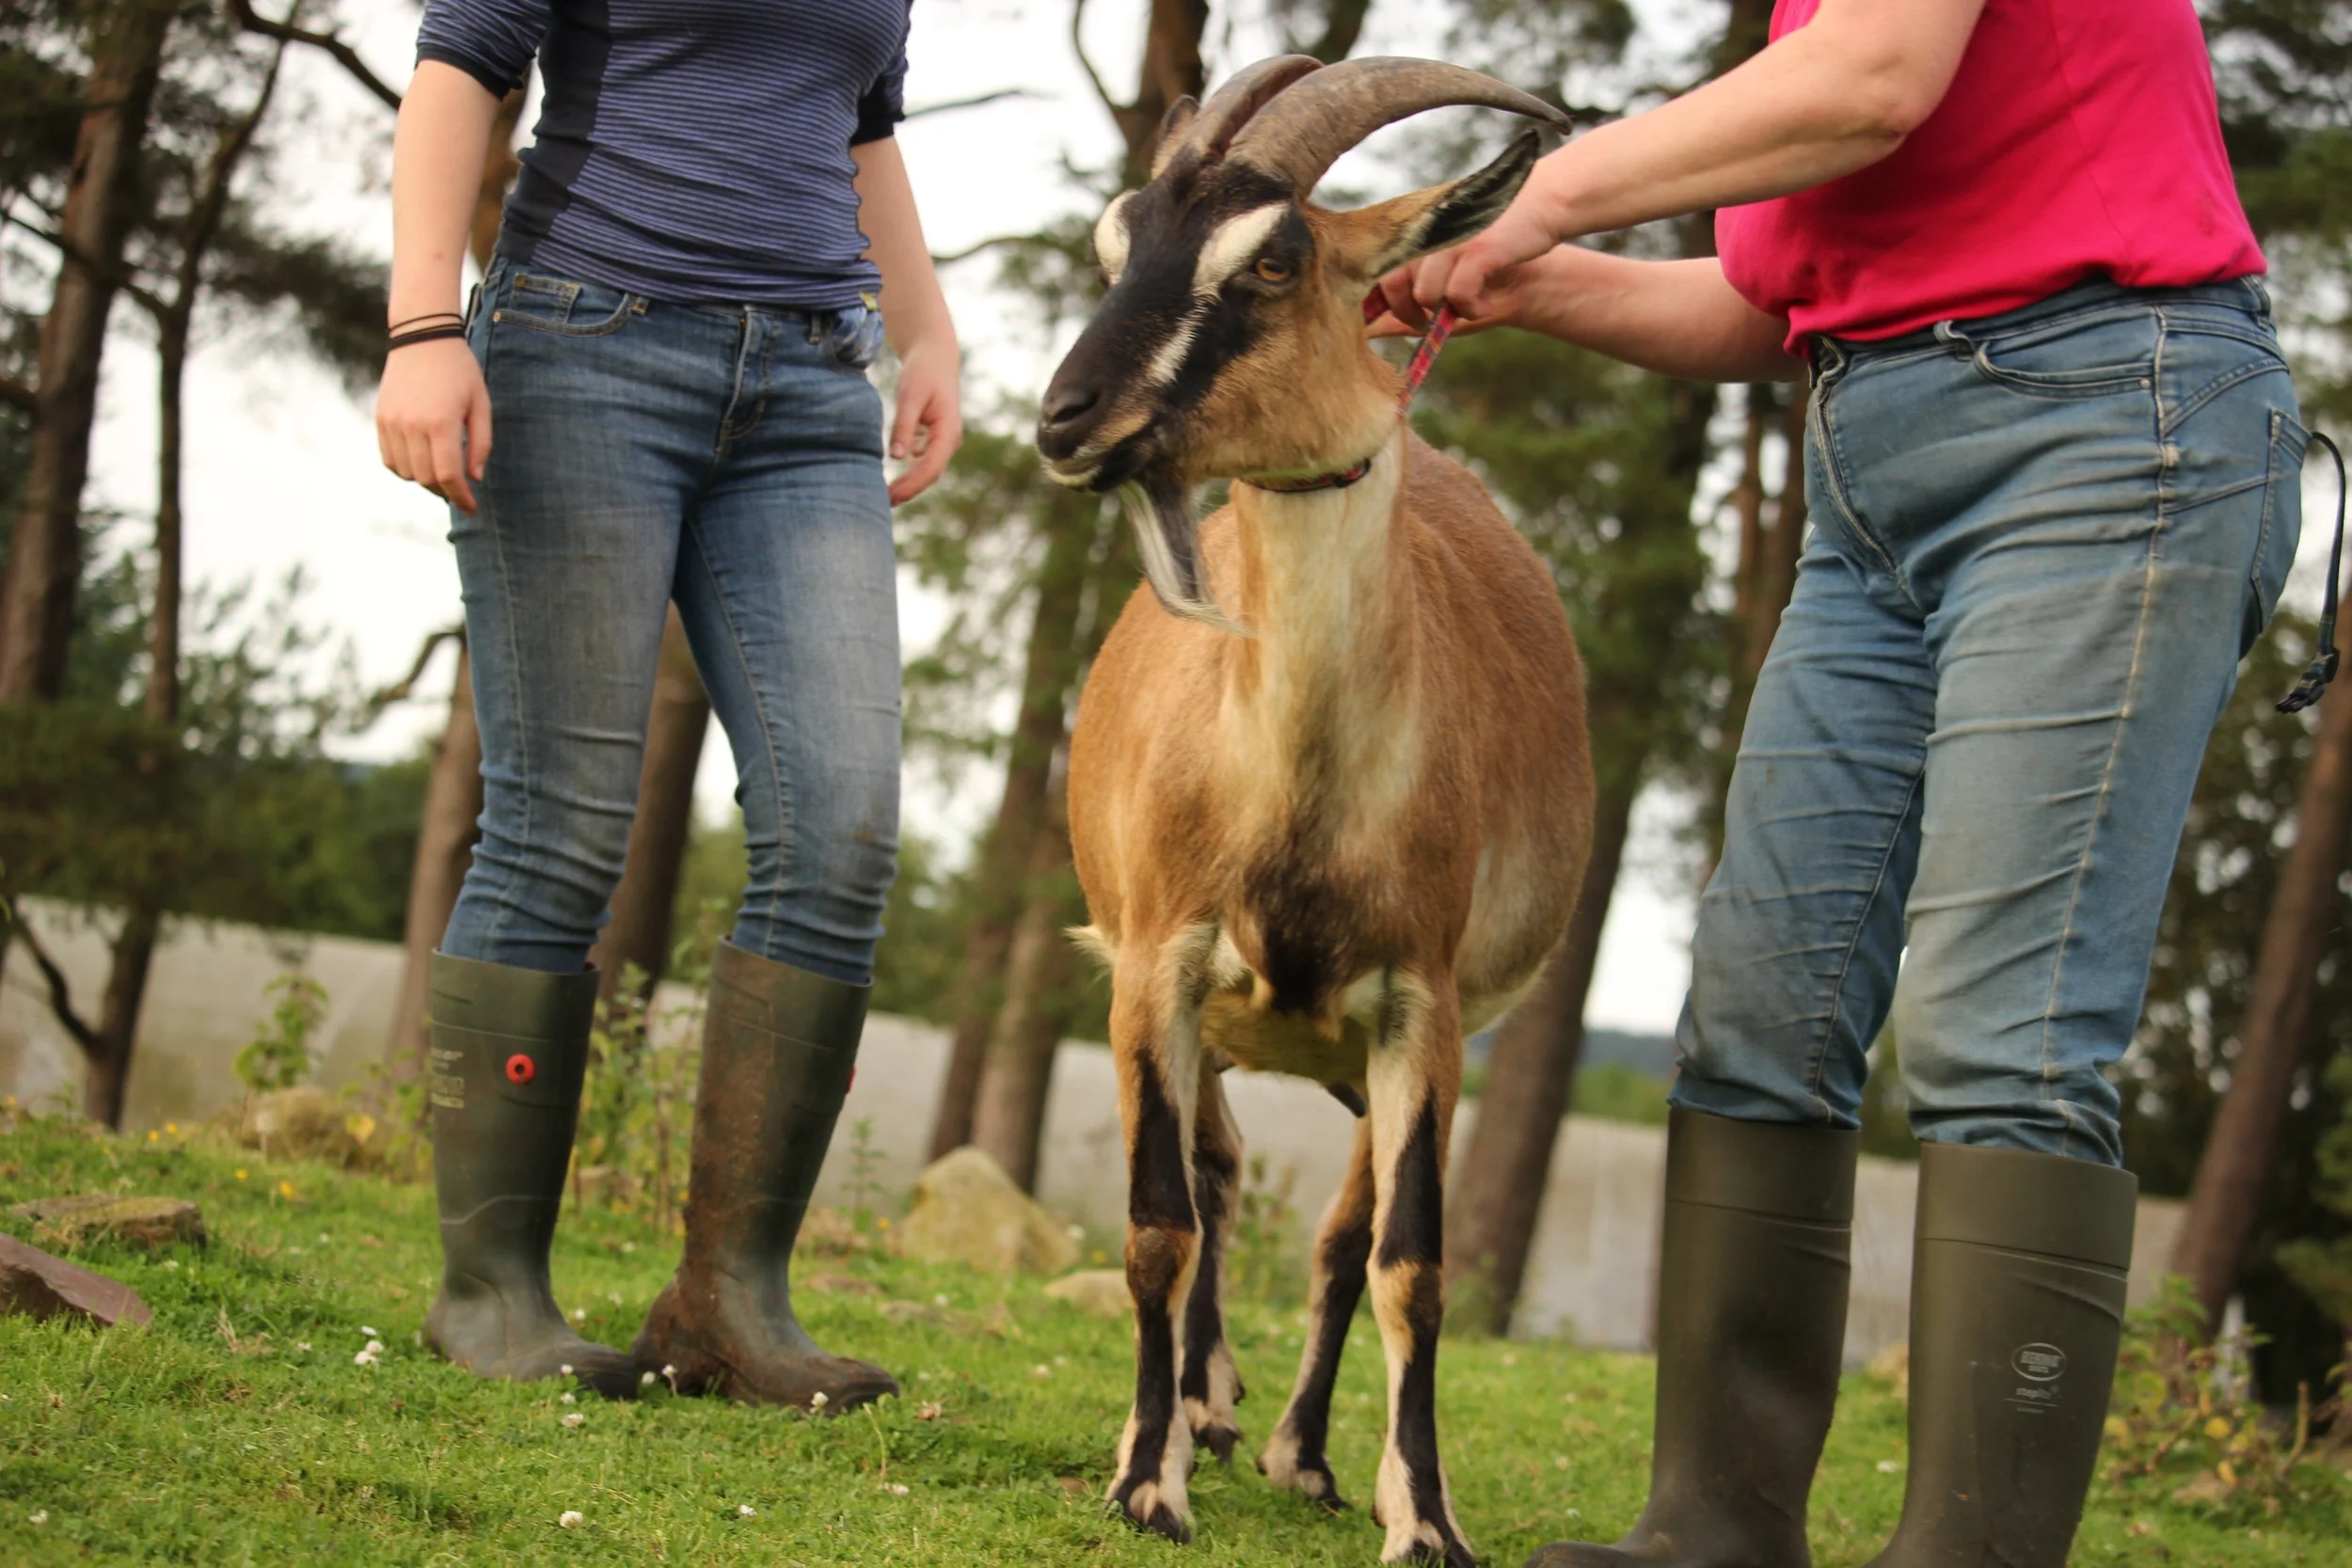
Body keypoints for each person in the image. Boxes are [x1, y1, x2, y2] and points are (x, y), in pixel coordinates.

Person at [1376, 2, 2301, 1563]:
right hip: (1875, 476)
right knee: (1762, 1014)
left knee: (2001, 1037)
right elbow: (1779, 307)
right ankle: (1715, 1532)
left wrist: (1548, 188)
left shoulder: (1843, 44)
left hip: (2109, 431)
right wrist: (1529, 283)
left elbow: (1875, 85)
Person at [374, 0, 960, 1411]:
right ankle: (490, 1293)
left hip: (814, 386)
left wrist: (928, 330)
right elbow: (462, 63)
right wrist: (422, 325)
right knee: (562, 828)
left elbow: (861, 119)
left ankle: (729, 1304)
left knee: (841, 833)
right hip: (585, 343)